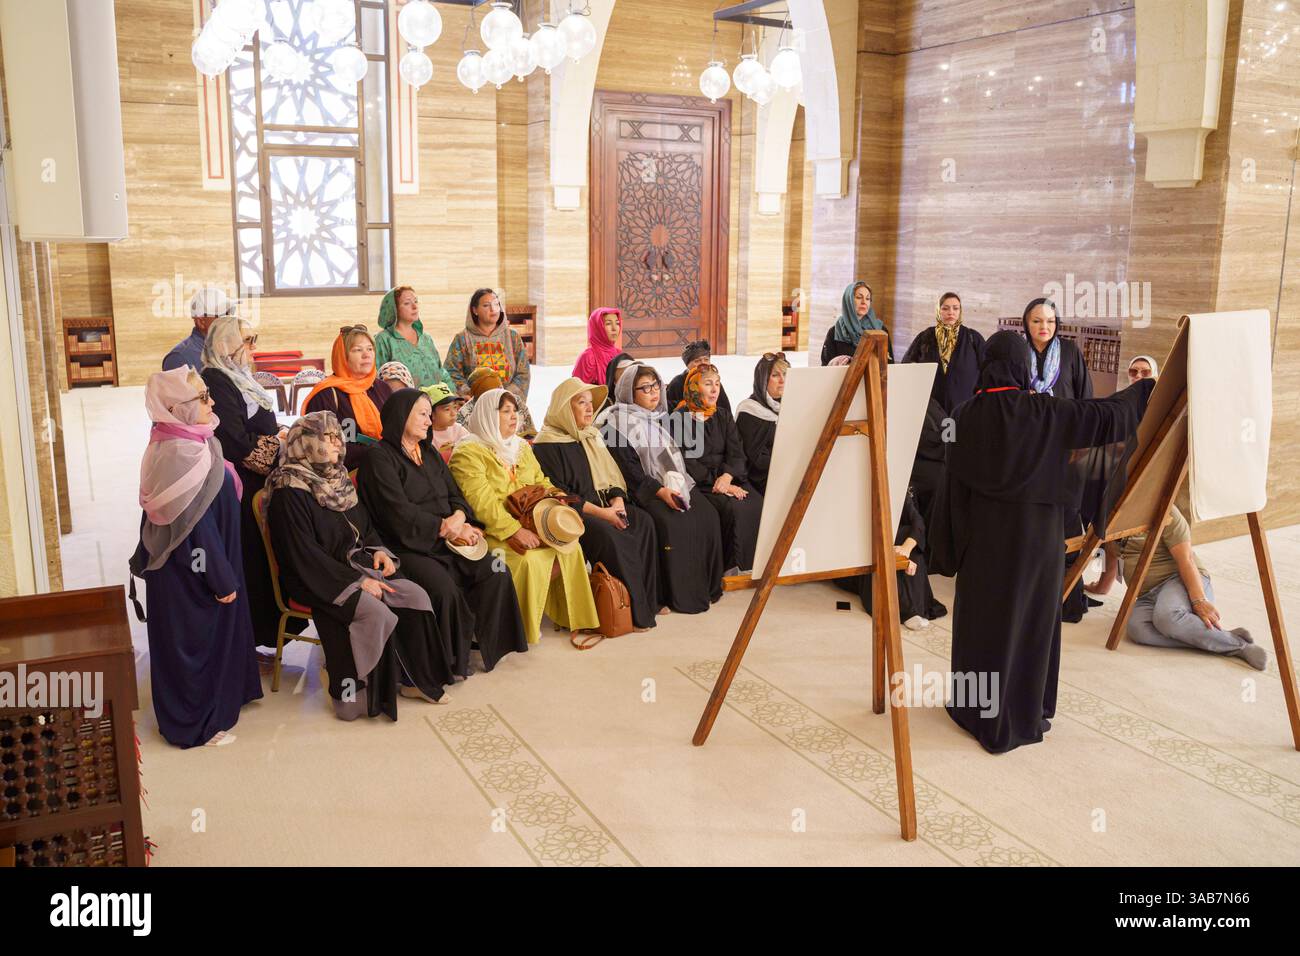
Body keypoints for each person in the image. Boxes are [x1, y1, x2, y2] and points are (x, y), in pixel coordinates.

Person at [929, 331, 1155, 754]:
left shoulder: (960, 416)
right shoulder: (1048, 413)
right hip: (1036, 545)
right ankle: (1025, 710)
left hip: (984, 545)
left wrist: (948, 548)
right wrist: (1141, 390)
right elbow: (1106, 416)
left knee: (982, 625)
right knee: (1028, 624)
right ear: (1022, 367)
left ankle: (973, 709)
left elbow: (951, 487)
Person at [266, 412, 456, 719]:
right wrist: (357, 582)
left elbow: (363, 526)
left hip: (355, 564)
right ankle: (357, 696)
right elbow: (301, 555)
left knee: (415, 597)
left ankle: (413, 680)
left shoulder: (337, 478)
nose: (336, 442)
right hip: (316, 577)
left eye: (336, 435)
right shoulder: (289, 491)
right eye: (326, 438)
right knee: (375, 611)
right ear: (305, 444)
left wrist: (378, 550)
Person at [129, 368, 262, 748]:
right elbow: (195, 531)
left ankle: (217, 704)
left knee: (206, 643)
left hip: (199, 565)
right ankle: (192, 725)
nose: (213, 401)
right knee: (193, 648)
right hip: (189, 574)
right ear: (175, 408)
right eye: (203, 397)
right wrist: (220, 580)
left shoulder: (187, 440)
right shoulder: (179, 454)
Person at [358, 388, 529, 673]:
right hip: (406, 545)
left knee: (496, 570)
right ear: (401, 417)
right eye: (422, 414)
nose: (429, 421)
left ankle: (486, 642)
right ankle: (450, 661)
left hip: (449, 537)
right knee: (445, 589)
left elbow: (456, 495)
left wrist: (461, 519)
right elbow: (397, 513)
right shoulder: (379, 458)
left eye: (428, 414)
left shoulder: (428, 451)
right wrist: (445, 528)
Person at [449, 388, 599, 645]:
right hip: (494, 530)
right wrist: (514, 531)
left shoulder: (520, 447)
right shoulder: (468, 452)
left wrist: (560, 501)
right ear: (487, 415)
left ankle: (563, 615)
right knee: (528, 560)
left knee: (570, 548)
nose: (513, 417)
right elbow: (481, 503)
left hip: (533, 521)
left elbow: (541, 481)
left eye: (514, 411)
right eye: (504, 411)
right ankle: (516, 623)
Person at [533, 378, 661, 631]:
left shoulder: (591, 436)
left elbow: (612, 475)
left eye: (591, 403)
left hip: (607, 505)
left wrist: (617, 503)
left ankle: (647, 603)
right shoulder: (546, 444)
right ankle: (630, 612)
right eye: (581, 403)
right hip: (577, 514)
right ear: (563, 408)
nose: (590, 409)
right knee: (611, 536)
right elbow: (560, 494)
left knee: (643, 522)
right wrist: (605, 514)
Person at [200, 315, 290, 652]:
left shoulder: (239, 377)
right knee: (250, 560)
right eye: (248, 340)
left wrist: (278, 431)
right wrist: (277, 443)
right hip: (241, 486)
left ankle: (265, 636)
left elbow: (259, 420)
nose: (254, 348)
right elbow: (235, 441)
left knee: (264, 560)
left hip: (259, 480)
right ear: (226, 345)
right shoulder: (216, 380)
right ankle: (247, 643)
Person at [603, 363, 724, 613]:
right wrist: (661, 492)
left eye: (656, 385)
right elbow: (631, 473)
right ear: (629, 392)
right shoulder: (616, 423)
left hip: (673, 483)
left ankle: (707, 586)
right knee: (674, 523)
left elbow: (675, 457)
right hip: (641, 492)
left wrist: (675, 486)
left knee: (707, 514)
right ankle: (677, 595)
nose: (653, 392)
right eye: (645, 388)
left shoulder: (659, 416)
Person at [1085, 505, 1265, 669]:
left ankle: (1239, 645)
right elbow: (1111, 558)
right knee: (1137, 630)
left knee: (1167, 618)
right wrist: (1101, 587)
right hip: (1148, 594)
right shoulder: (1112, 518)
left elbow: (1186, 560)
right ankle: (1219, 636)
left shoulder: (1166, 511)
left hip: (1179, 581)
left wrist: (1199, 600)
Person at [1023, 297, 1095, 623]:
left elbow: (1085, 398)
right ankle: (1036, 595)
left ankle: (1070, 596)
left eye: (1050, 321)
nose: (1044, 327)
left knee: (1068, 520)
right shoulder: (1017, 353)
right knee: (1036, 521)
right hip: (1030, 452)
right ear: (1027, 323)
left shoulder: (1069, 353)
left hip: (1066, 451)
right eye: (1038, 321)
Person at [668, 363, 764, 574]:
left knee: (755, 502)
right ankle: (730, 568)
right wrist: (718, 483)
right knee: (730, 508)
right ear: (694, 387)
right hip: (701, 482)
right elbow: (687, 462)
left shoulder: (722, 415)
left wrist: (728, 477)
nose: (714, 390)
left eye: (718, 384)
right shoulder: (679, 418)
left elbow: (737, 451)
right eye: (708, 384)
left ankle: (752, 568)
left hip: (729, 477)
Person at [836, 490, 947, 630]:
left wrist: (905, 550)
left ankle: (910, 611)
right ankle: (910, 612)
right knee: (886, 542)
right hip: (861, 555)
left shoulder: (895, 485)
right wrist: (892, 555)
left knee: (907, 534)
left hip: (891, 547)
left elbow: (918, 523)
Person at [304, 325, 393, 470]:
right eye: (358, 350)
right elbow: (320, 446)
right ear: (343, 356)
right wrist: (377, 453)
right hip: (346, 476)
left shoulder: (382, 388)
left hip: (386, 466)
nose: (366, 355)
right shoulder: (326, 395)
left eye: (370, 349)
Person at [901, 292, 986, 413]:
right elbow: (907, 366)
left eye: (955, 308)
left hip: (964, 410)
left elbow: (987, 370)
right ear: (938, 311)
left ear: (960, 311)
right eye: (945, 308)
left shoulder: (973, 338)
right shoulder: (926, 337)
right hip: (929, 411)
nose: (951, 312)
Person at [444, 287, 530, 404]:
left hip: (507, 402)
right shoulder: (462, 338)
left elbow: (523, 372)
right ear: (474, 310)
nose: (493, 309)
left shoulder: (512, 337)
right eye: (486, 305)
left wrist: (504, 396)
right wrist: (470, 394)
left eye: (496, 304)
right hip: (475, 402)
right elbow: (451, 372)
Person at [373, 286, 456, 390]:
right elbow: (377, 379)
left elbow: (441, 371)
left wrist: (454, 395)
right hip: (405, 404)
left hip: (437, 402)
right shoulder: (383, 340)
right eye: (407, 303)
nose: (414, 307)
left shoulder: (426, 338)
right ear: (394, 309)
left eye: (416, 301)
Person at [735, 351, 787, 495]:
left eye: (785, 374)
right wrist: (788, 462)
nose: (782, 380)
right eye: (775, 375)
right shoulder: (750, 411)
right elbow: (755, 461)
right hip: (763, 479)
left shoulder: (790, 406)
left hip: (787, 471)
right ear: (762, 380)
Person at [820, 281, 894, 366]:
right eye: (859, 297)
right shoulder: (834, 332)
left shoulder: (880, 330)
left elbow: (890, 365)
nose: (864, 302)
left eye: (867, 298)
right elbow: (825, 366)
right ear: (849, 300)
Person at [164, 286, 234, 371]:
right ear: (201, 322)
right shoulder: (179, 359)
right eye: (223, 316)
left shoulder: (228, 349)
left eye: (230, 314)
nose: (229, 320)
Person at [457, 365, 538, 439]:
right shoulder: (465, 414)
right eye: (494, 393)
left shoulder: (515, 401)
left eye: (501, 389)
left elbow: (531, 433)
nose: (501, 396)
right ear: (482, 396)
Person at [666, 340, 732, 415]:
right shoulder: (677, 383)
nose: (703, 363)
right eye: (697, 361)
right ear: (687, 365)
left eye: (706, 359)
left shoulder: (713, 382)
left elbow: (726, 412)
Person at [571, 307, 623, 386]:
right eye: (608, 323)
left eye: (617, 323)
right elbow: (578, 391)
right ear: (597, 327)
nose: (614, 328)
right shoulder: (588, 357)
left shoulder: (619, 355)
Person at [423, 382, 470, 463]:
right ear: (431, 413)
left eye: (455, 407)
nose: (453, 413)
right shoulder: (425, 435)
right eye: (447, 409)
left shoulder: (459, 430)